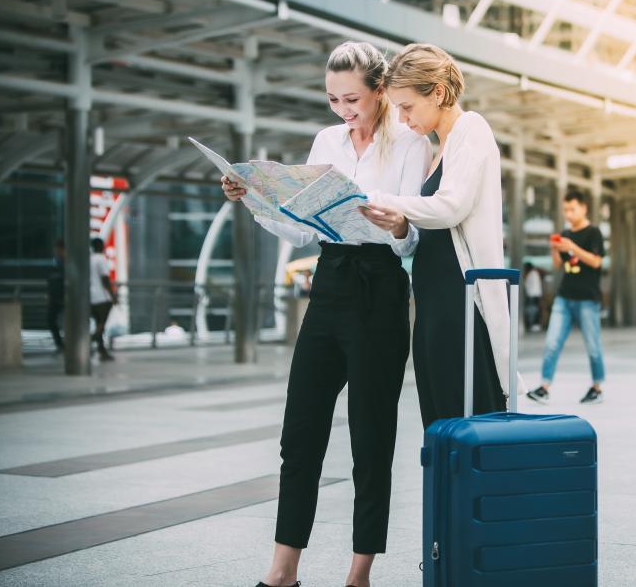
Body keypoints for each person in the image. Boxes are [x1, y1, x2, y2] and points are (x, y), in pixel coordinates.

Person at [222, 41, 431, 587]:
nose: (343, 110)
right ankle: (282, 572)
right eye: (334, 100)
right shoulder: (326, 141)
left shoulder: (412, 142)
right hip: (330, 281)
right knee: (300, 434)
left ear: (379, 90)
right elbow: (301, 229)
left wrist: (397, 225)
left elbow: (411, 239)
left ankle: (359, 574)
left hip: (381, 289)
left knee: (371, 438)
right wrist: (254, 199)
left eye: (352, 99)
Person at [360, 43, 520, 429]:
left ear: (439, 93)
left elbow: (451, 207)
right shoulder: (438, 147)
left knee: (465, 417)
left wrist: (382, 200)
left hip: (461, 298)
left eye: (408, 107)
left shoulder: (471, 128)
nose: (402, 118)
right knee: (440, 417)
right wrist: (397, 223)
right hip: (434, 299)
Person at [526, 191, 606, 405]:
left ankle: (597, 388)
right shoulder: (565, 234)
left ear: (583, 208)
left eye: (572, 209)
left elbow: (596, 261)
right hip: (564, 297)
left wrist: (572, 247)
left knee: (593, 346)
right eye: (565, 210)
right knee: (551, 342)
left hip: (588, 299)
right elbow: (558, 264)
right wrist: (555, 249)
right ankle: (544, 387)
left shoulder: (593, 233)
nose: (568, 214)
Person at [90, 237, 116, 362]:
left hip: (91, 296)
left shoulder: (89, 259)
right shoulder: (101, 259)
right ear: (101, 246)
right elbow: (105, 278)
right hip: (102, 297)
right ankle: (89, 341)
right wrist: (113, 295)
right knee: (101, 323)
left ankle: (101, 349)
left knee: (98, 323)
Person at [47, 239, 65, 351]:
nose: (57, 252)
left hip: (66, 296)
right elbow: (50, 280)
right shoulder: (55, 262)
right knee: (50, 319)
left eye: (59, 250)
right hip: (55, 297)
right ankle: (59, 344)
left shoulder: (69, 262)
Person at [523, 262, 544, 332]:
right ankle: (535, 325)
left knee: (533, 310)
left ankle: (534, 325)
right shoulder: (535, 273)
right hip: (536, 294)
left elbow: (526, 284)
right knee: (535, 309)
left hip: (532, 295)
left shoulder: (531, 274)